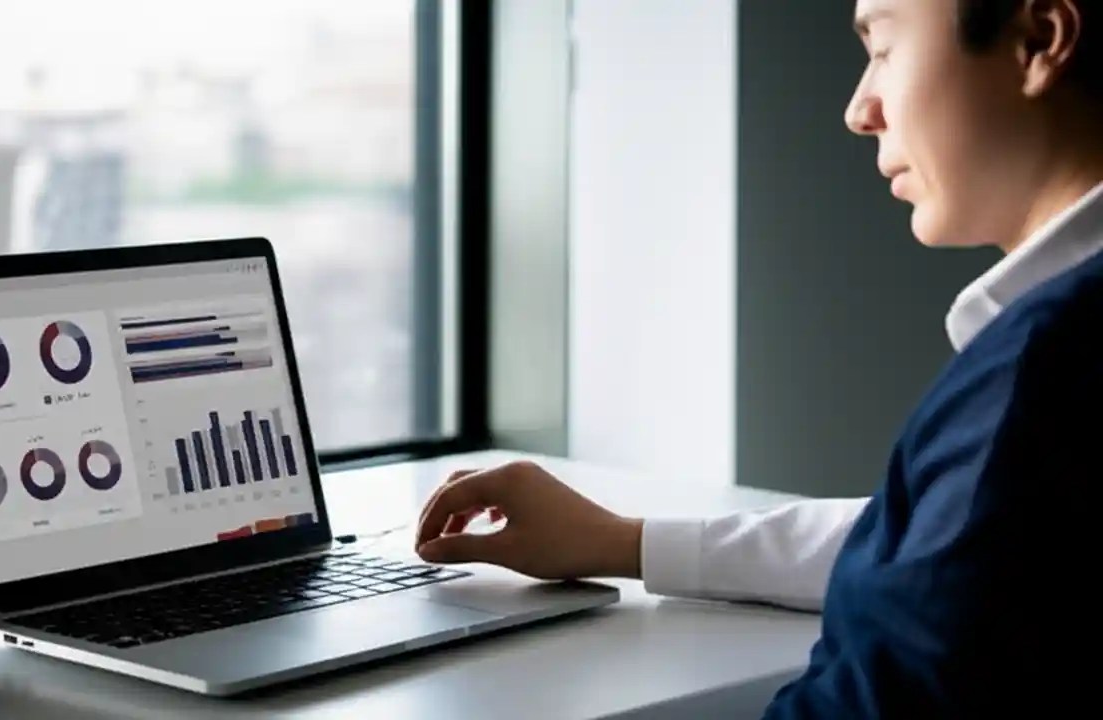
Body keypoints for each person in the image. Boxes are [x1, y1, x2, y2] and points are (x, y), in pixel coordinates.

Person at [415, 0, 1102, 716]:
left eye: (885, 48)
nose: (859, 109)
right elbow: (945, 545)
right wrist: (619, 542)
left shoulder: (1042, 378)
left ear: (1037, 41)